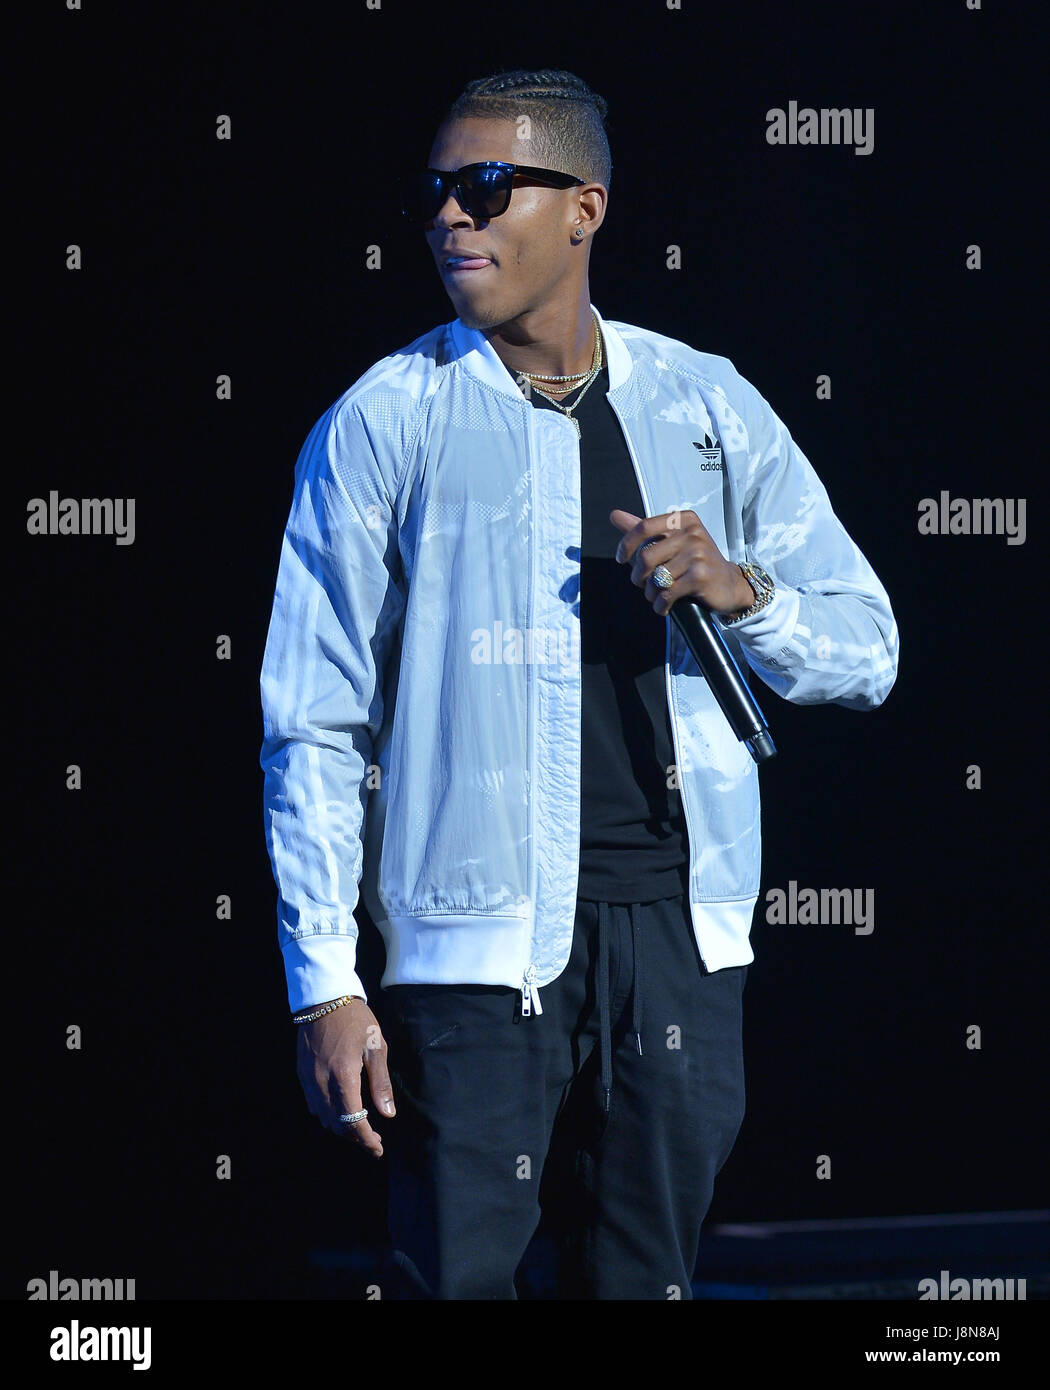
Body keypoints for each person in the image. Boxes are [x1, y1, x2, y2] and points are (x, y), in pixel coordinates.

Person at [259, 68, 899, 1300]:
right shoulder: (385, 422)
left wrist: (741, 589)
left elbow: (869, 649)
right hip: (471, 957)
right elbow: (315, 723)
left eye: (489, 188)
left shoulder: (704, 400)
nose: (454, 217)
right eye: (438, 192)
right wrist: (324, 984)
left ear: (585, 208)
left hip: (678, 939)